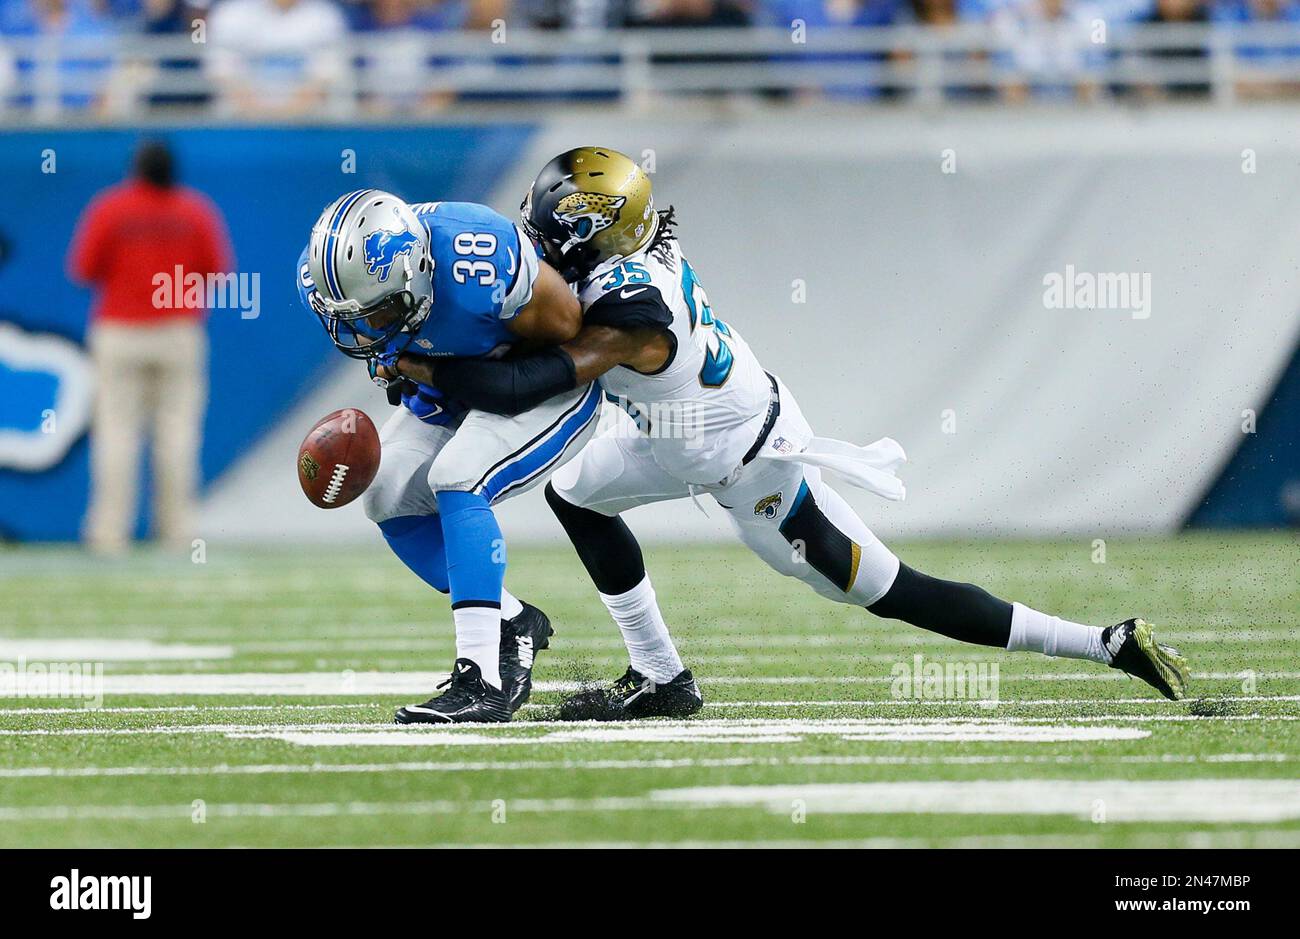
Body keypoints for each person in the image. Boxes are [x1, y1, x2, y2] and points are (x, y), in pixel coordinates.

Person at [395, 147, 1192, 720]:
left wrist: (428, 368)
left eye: (550, 229)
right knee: (576, 490)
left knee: (891, 591)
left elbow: (529, 381)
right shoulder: (614, 265)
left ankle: (1103, 642)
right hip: (673, 438)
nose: (535, 240)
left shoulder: (629, 312)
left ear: (596, 238)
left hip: (749, 465)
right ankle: (661, 676)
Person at [296, 190, 602, 723]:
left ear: (419, 271)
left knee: (458, 476)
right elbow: (388, 339)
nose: (369, 327)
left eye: (382, 310)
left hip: (540, 381)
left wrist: (450, 370)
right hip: (452, 386)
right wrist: (408, 363)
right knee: (386, 495)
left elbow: (567, 334)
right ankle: (512, 619)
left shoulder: (478, 258)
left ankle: (481, 679)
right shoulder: (328, 280)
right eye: (357, 317)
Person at [68, 140, 231, 555]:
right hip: (178, 332)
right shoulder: (195, 211)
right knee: (177, 433)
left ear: (135, 170)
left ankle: (109, 535)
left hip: (119, 331)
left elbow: (83, 268)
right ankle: (177, 533)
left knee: (117, 433)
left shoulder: (109, 208)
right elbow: (218, 272)